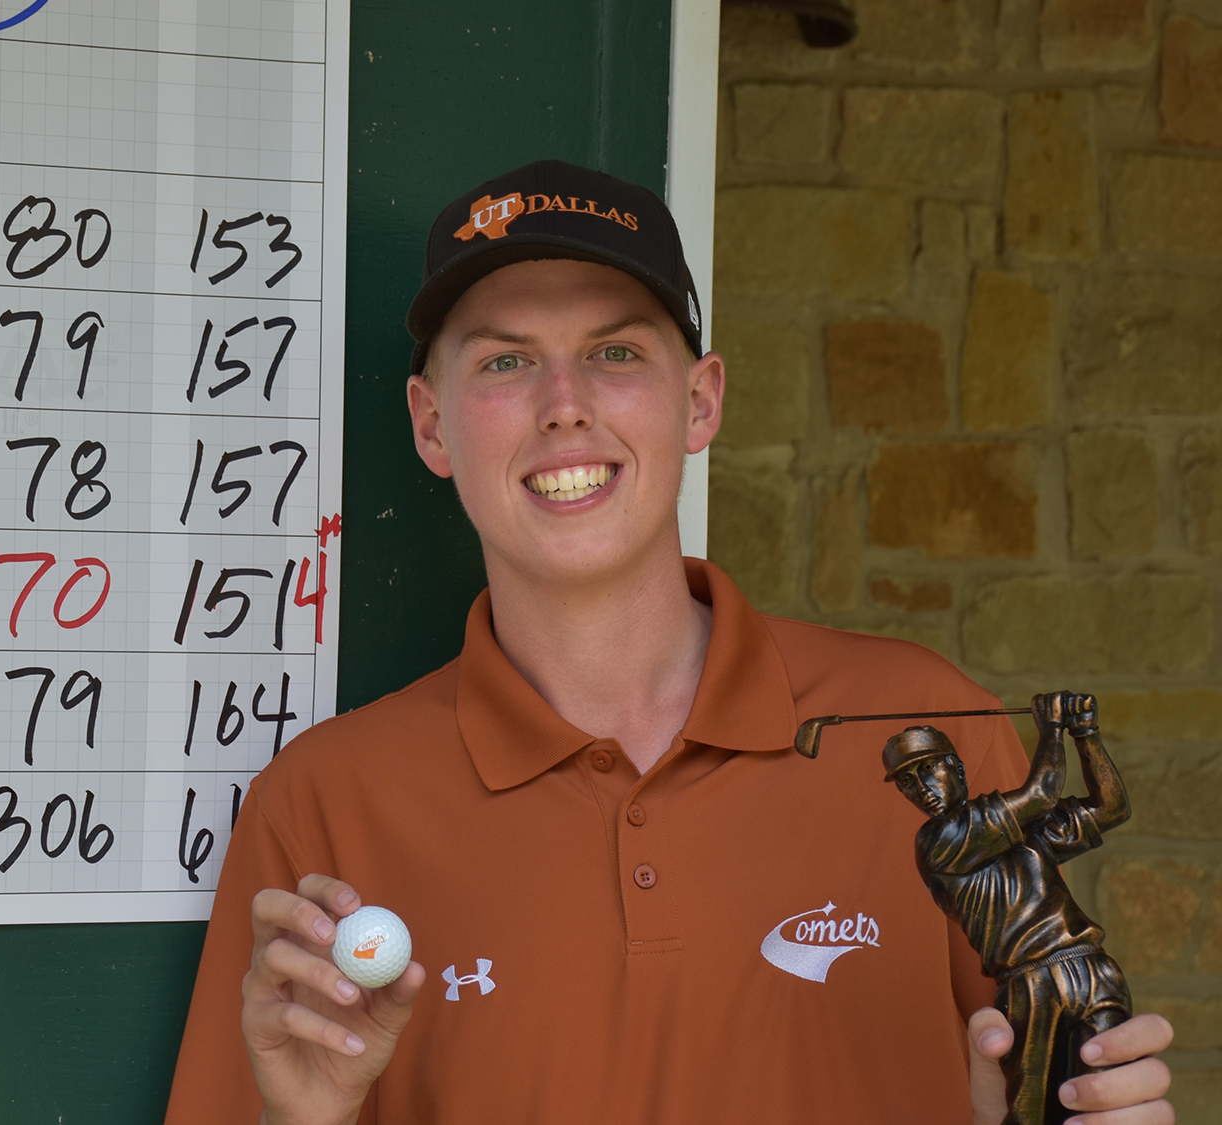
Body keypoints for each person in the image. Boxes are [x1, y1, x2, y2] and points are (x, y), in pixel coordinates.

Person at [161, 160, 1175, 1125]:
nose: (565, 406)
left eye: (615, 353)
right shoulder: (322, 805)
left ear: (699, 402)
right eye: (506, 361)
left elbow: (1045, 1077)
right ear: (431, 426)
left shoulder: (924, 722)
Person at [891, 691, 1136, 1124]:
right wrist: (1053, 729)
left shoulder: (1018, 833)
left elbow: (1111, 807)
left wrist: (1087, 733)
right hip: (1031, 986)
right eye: (909, 781)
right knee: (1031, 1113)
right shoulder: (939, 841)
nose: (923, 789)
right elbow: (1040, 794)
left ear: (957, 767)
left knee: (1101, 1104)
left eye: (929, 769)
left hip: (1091, 967)